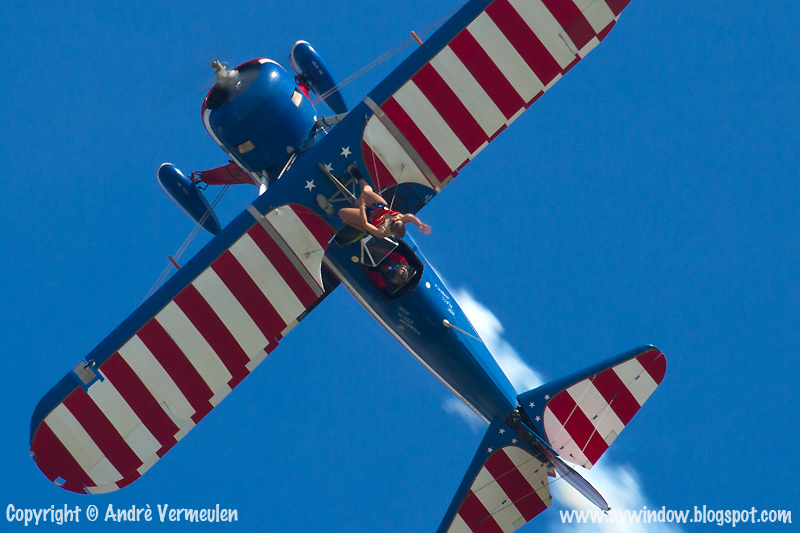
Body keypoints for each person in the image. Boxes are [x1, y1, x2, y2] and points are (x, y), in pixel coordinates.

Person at [339, 179, 432, 239]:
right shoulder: (400, 219)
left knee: (342, 213)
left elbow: (365, 223)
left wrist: (361, 205)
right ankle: (358, 177)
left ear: (391, 227)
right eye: (397, 219)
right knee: (366, 191)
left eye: (393, 221)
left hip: (367, 217)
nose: (394, 218)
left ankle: (350, 219)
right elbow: (411, 217)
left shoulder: (382, 232)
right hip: (378, 206)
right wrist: (420, 224)